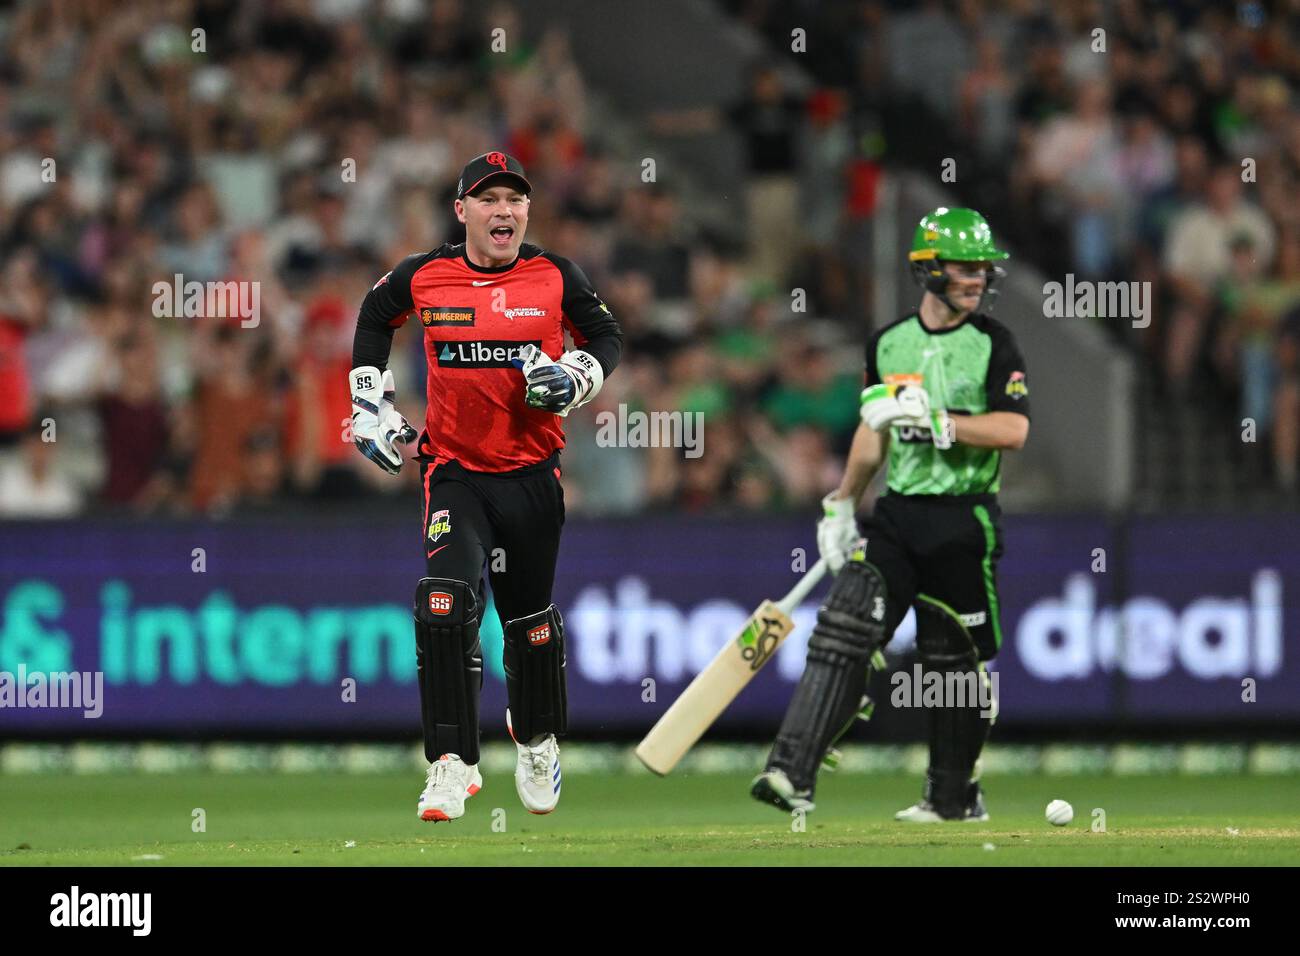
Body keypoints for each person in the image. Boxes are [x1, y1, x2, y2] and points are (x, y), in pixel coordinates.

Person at [348, 152, 623, 822]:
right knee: (443, 604)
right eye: (489, 199)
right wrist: (367, 402)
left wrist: (578, 375)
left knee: (528, 626)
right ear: (462, 210)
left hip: (532, 474)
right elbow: (374, 317)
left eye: (515, 200)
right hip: (455, 473)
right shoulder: (425, 276)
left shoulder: (555, 275)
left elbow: (607, 336)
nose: (505, 211)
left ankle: (534, 740)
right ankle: (451, 763)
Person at [750, 207, 1030, 822]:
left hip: (964, 520)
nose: (977, 279)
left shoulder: (994, 344)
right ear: (929, 269)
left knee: (952, 660)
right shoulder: (887, 344)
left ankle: (954, 798)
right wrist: (843, 502)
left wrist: (941, 424)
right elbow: (873, 432)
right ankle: (791, 773)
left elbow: (1013, 430)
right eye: (964, 267)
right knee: (843, 628)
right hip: (898, 518)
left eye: (982, 269)